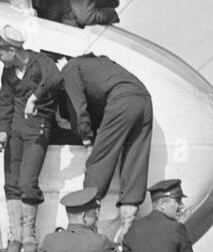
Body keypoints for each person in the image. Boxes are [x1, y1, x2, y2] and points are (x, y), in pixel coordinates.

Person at [0, 24, 62, 252]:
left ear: (11, 50)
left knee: (27, 181)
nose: (0, 60)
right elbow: (5, 101)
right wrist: (2, 131)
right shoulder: (8, 73)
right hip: (15, 130)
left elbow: (54, 77)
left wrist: (35, 96)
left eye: (1, 54)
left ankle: (29, 235)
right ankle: (16, 236)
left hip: (37, 127)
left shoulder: (41, 62)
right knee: (11, 181)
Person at [59, 52, 153, 231]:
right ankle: (128, 228)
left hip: (121, 100)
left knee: (100, 161)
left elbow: (77, 107)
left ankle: (87, 223)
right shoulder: (101, 65)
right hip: (144, 99)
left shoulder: (70, 68)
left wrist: (86, 138)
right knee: (135, 162)